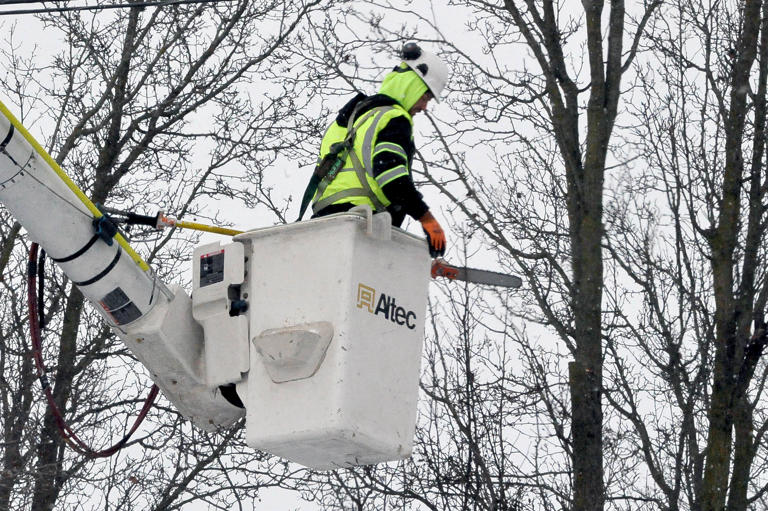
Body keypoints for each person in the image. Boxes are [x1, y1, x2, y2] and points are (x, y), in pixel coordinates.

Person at [306, 42, 448, 258]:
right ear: (411, 85)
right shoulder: (394, 119)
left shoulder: (350, 120)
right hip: (361, 226)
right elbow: (392, 179)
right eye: (425, 97)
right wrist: (426, 218)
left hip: (323, 224)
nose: (424, 107)